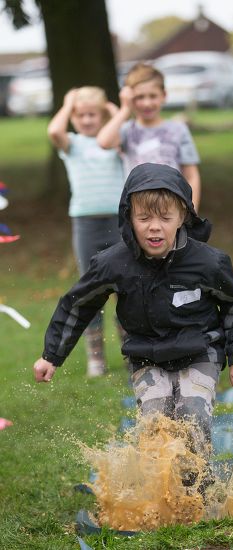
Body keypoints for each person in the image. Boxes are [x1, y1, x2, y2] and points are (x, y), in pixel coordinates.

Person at [33, 162, 233, 473]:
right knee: (156, 421)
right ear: (128, 218)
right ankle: (159, 490)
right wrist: (51, 355)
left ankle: (195, 491)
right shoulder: (112, 264)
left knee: (191, 414)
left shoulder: (208, 263)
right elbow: (78, 304)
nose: (154, 226)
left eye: (165, 218)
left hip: (199, 351)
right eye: (144, 217)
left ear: (183, 217)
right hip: (145, 355)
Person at [48, 86, 125, 377]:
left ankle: (130, 352)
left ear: (102, 115)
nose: (88, 120)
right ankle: (96, 358)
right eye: (81, 116)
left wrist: (114, 110)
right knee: (91, 289)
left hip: (119, 222)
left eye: (93, 114)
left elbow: (125, 131)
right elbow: (54, 131)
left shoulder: (113, 140)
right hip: (86, 224)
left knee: (124, 288)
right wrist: (68, 103)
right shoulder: (73, 144)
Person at [97, 63, 201, 211]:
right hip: (136, 212)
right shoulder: (126, 130)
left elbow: (191, 175)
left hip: (172, 211)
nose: (147, 103)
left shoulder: (178, 130)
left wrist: (192, 211)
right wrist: (125, 109)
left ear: (164, 96)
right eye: (140, 97)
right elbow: (104, 142)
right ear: (130, 98)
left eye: (153, 96)